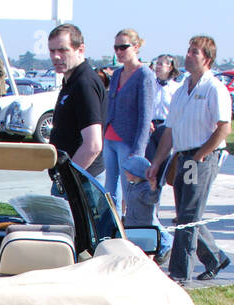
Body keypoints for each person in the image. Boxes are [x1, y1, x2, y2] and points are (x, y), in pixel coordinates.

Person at [147, 34, 232, 284]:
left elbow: (223, 129)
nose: (188, 55)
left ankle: (179, 274)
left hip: (203, 157)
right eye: (188, 50)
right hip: (182, 156)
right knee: (186, 214)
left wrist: (200, 155)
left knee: (188, 217)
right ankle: (215, 257)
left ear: (207, 58)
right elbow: (170, 132)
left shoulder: (214, 88)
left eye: (194, 52)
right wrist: (157, 162)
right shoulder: (182, 90)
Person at [102, 29, 154, 209]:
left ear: (136, 47)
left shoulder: (144, 74)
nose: (118, 51)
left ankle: (132, 226)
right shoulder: (117, 74)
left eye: (123, 47)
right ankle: (113, 227)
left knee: (129, 189)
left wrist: (138, 150)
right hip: (109, 138)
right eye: (116, 47)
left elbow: (146, 115)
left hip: (127, 141)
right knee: (110, 188)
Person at [47, 23, 104, 175]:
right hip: (75, 178)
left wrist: (67, 178)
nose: (56, 56)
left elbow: (93, 145)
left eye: (63, 50)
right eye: (52, 51)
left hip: (83, 180)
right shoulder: (71, 81)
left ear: (80, 50)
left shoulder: (84, 84)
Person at [122, 154, 171, 261]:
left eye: (128, 171)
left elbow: (152, 199)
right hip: (133, 226)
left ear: (136, 173)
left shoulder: (145, 189)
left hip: (146, 227)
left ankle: (165, 246)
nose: (125, 173)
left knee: (148, 252)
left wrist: (154, 189)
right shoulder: (132, 185)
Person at [147, 54, 181, 162]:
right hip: (150, 128)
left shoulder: (177, 88)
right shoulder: (149, 85)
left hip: (166, 128)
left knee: (163, 162)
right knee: (148, 162)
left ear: (170, 67)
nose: (157, 67)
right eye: (157, 64)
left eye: (161, 64)